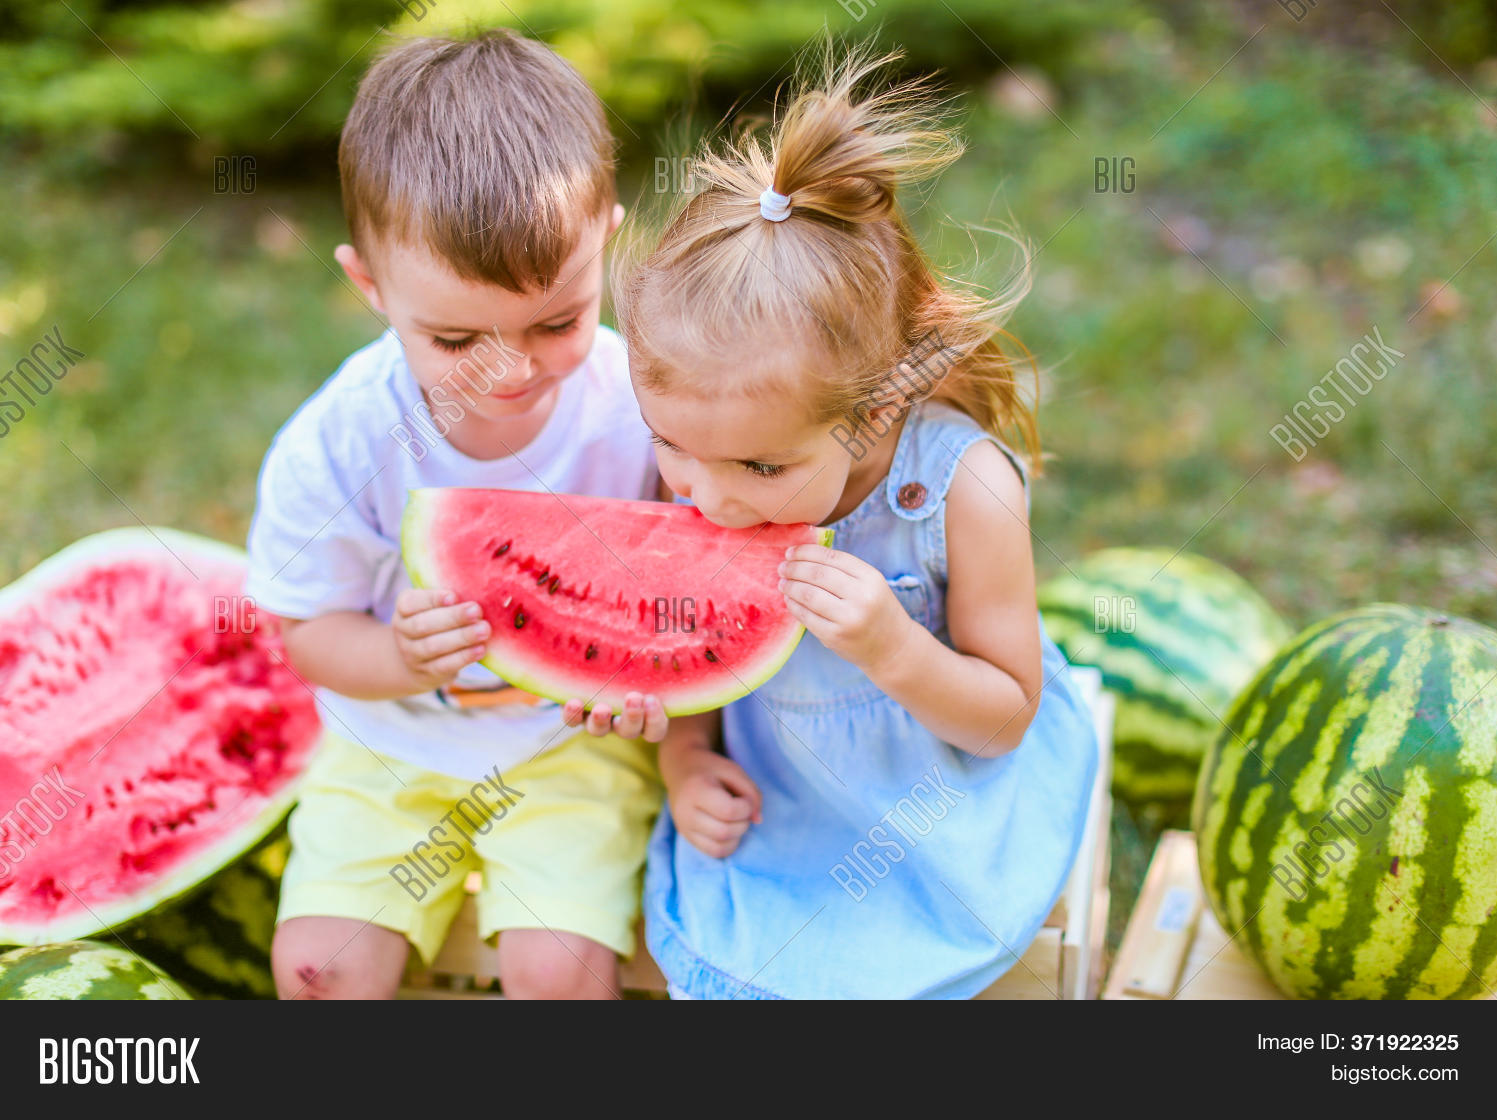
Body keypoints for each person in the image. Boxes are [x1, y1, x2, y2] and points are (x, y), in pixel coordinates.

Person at [615, 47, 1099, 998]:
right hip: (780, 805)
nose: (706, 498)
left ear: (876, 412)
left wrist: (894, 651)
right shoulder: (693, 459)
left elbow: (1003, 717)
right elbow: (693, 659)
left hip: (938, 800)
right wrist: (681, 759)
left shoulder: (966, 489)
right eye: (670, 443)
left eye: (763, 466)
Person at [246, 30, 665, 1000]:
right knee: (317, 970)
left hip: (571, 743)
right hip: (387, 739)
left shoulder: (648, 407)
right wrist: (398, 658)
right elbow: (308, 630)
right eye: (455, 337)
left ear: (606, 236)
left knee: (558, 975)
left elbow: (682, 583)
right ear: (370, 287)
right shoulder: (342, 440)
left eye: (556, 322)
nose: (510, 369)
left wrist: (645, 670)